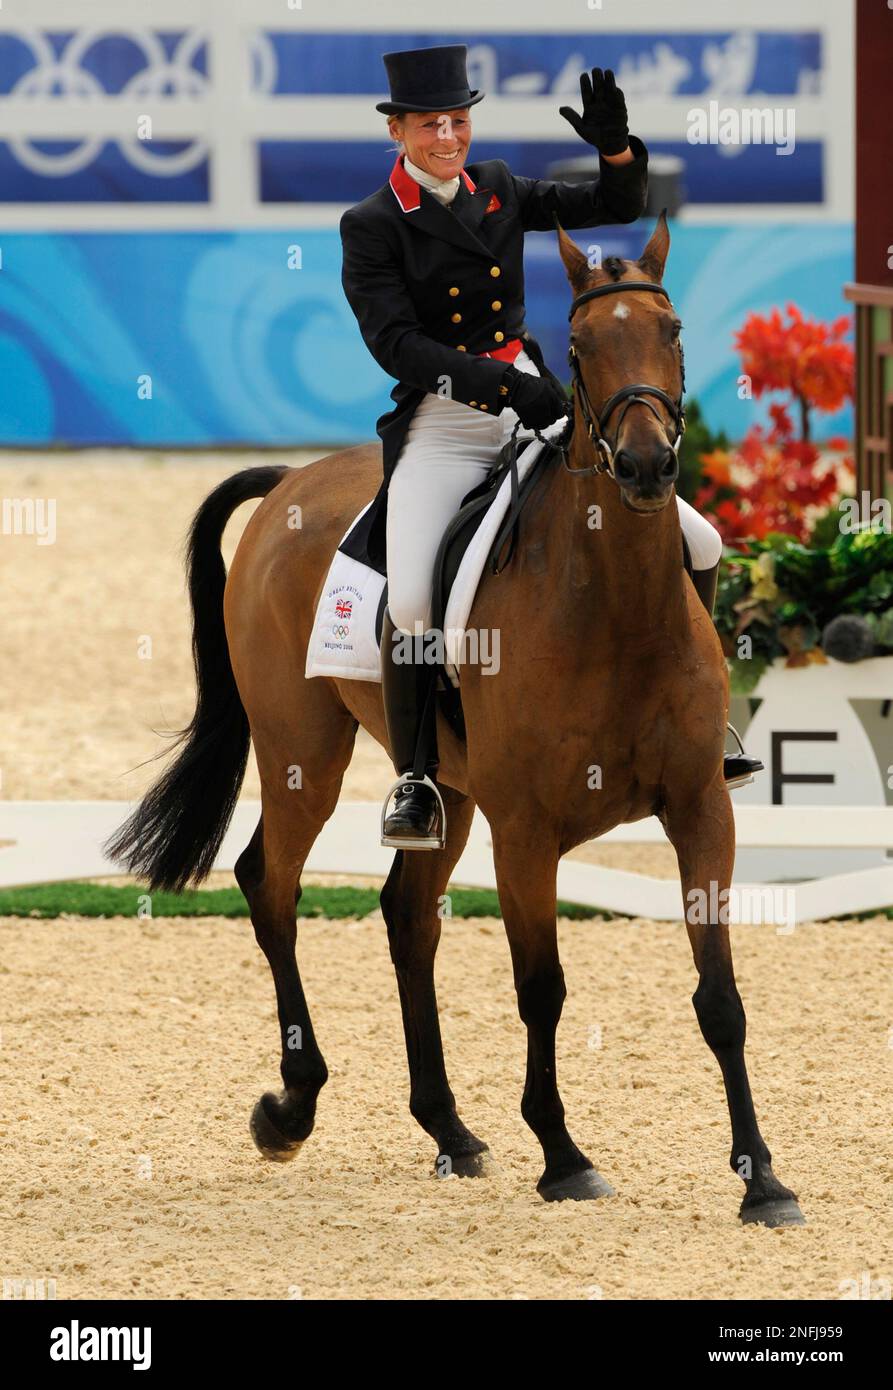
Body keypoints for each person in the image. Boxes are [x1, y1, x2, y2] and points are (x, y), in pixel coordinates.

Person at [340, 45, 761, 848]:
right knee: (419, 601)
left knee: (699, 538)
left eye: (458, 120)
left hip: (541, 398)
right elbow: (396, 345)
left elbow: (611, 201)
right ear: (397, 130)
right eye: (431, 124)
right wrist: (508, 390)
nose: (448, 135)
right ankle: (419, 777)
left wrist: (614, 148)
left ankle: (706, 723)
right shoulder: (369, 225)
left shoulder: (496, 188)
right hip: (448, 419)